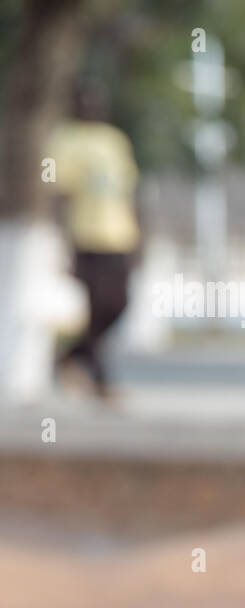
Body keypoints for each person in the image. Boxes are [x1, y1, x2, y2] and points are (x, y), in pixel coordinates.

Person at [46, 79, 140, 402]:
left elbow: (128, 192)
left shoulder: (115, 141)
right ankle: (102, 381)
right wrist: (59, 240)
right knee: (96, 307)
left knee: (118, 304)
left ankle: (69, 359)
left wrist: (140, 237)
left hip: (120, 235)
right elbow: (57, 194)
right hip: (86, 237)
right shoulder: (64, 140)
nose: (90, 106)